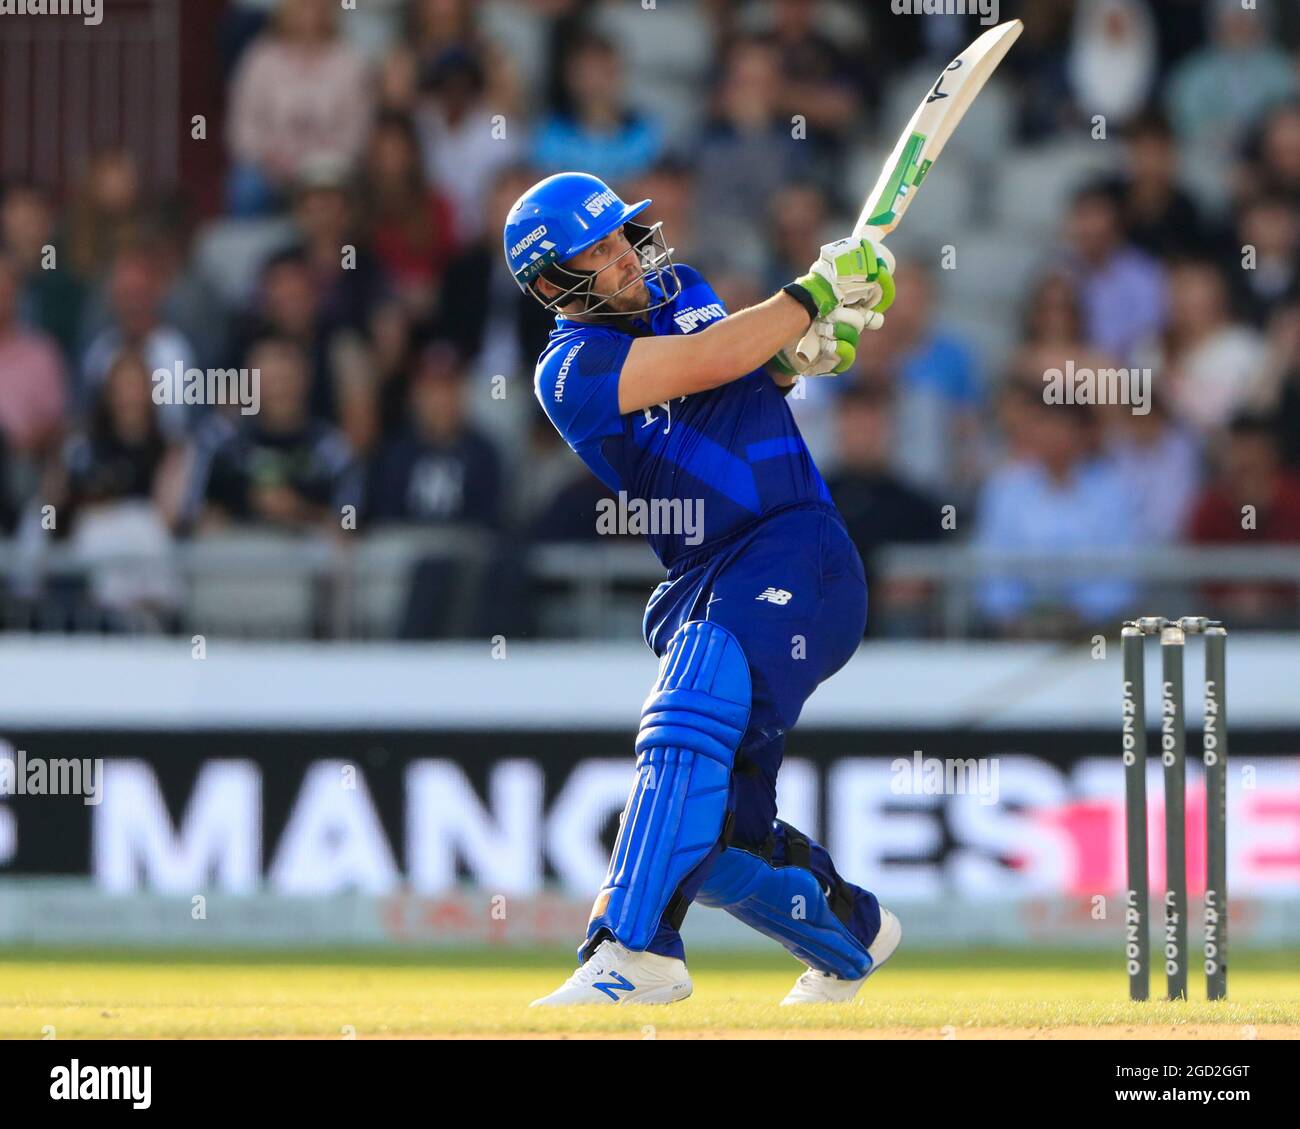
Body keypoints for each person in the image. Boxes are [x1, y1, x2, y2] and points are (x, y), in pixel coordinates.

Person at [506, 171, 899, 1007]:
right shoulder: (569, 370)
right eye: (598, 253)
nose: (624, 260)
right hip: (710, 572)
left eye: (620, 240)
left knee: (689, 707)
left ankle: (634, 948)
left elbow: (738, 380)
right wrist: (814, 294)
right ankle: (849, 927)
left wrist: (799, 356)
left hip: (797, 547)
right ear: (551, 285)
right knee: (713, 834)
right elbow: (711, 360)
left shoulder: (683, 287)